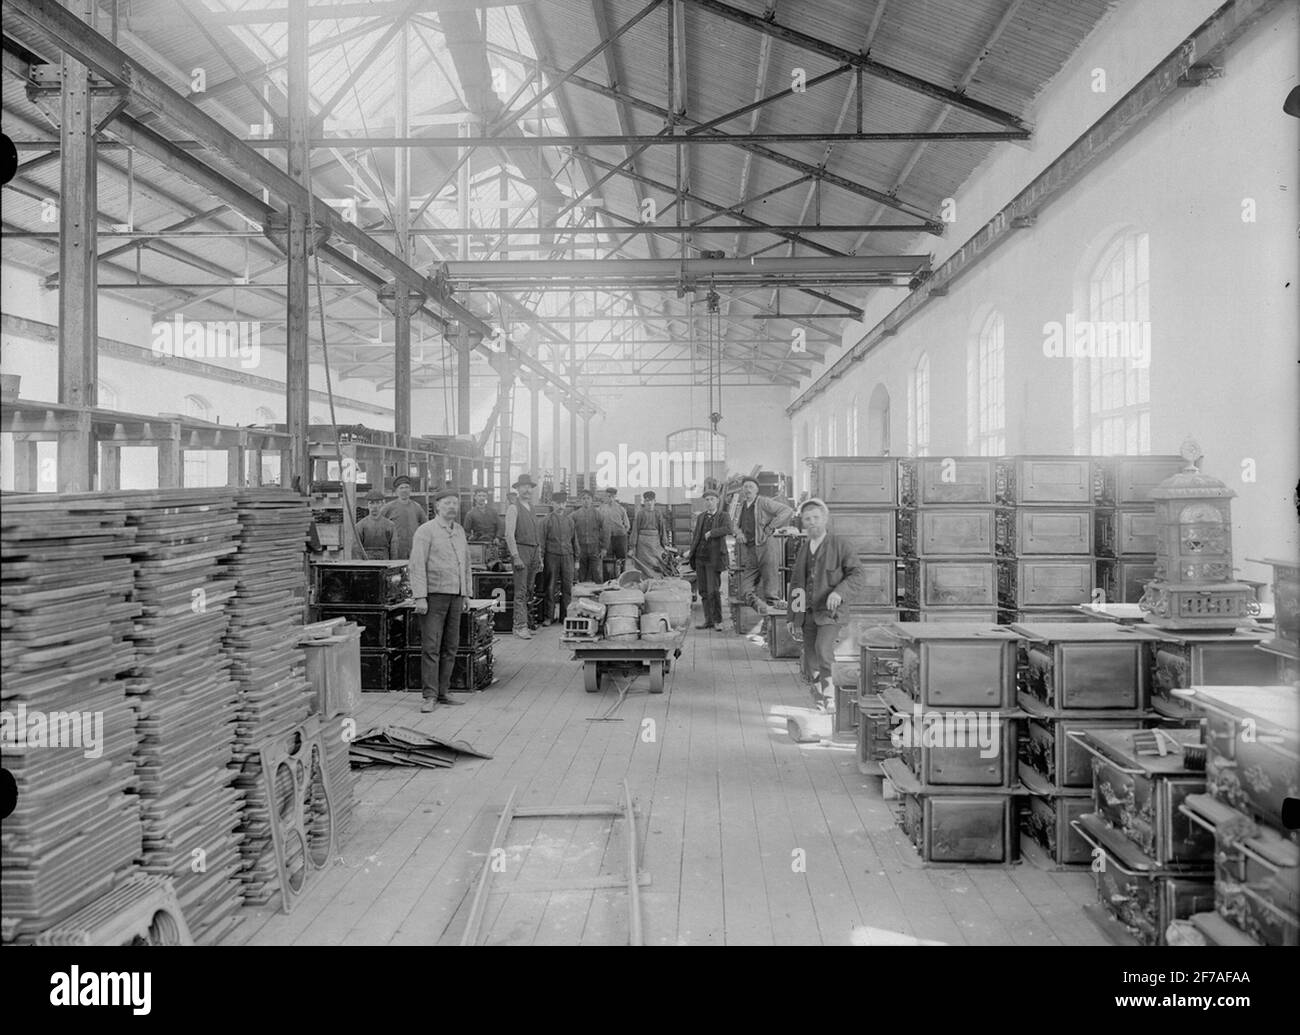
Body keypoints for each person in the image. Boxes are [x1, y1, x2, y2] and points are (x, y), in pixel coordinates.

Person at [788, 497, 868, 711]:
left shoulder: (840, 544)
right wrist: (794, 617)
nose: (812, 522)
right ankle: (819, 695)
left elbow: (857, 574)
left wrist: (839, 592)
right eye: (807, 519)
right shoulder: (805, 549)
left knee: (823, 650)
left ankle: (830, 696)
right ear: (803, 523)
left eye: (816, 517)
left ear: (825, 519)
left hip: (831, 613)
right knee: (810, 656)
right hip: (808, 613)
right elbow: (797, 585)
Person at [408, 488, 472, 713]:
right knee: (431, 647)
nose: (452, 507)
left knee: (451, 646)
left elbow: (465, 564)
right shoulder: (425, 531)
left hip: (455, 596)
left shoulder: (460, 531)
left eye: (455, 503)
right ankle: (429, 695)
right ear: (437, 507)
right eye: (447, 503)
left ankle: (443, 691)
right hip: (433, 597)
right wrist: (420, 597)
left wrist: (466, 593)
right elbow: (416, 565)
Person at [734, 475, 794, 617]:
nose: (748, 489)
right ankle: (763, 610)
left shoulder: (764, 502)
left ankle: (773, 622)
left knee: (771, 593)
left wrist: (772, 526)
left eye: (751, 487)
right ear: (742, 490)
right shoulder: (741, 506)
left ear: (756, 490)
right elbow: (734, 524)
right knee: (744, 590)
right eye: (745, 487)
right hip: (751, 551)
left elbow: (787, 511)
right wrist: (739, 533)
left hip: (766, 547)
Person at [686, 489, 731, 629]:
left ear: (717, 500)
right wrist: (690, 553)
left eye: (712, 499)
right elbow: (696, 537)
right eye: (707, 499)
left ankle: (718, 621)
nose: (709, 502)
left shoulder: (723, 515)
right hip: (700, 558)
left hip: (714, 559)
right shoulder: (701, 517)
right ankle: (709, 620)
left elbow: (728, 529)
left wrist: (712, 533)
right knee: (703, 591)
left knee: (713, 591)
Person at [504, 474, 541, 639]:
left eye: (529, 487)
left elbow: (536, 534)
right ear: (517, 489)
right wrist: (515, 556)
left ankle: (523, 622)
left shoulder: (532, 508)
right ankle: (520, 626)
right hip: (521, 550)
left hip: (533, 551)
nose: (527, 490)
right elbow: (509, 535)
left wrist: (538, 556)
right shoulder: (513, 508)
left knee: (529, 590)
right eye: (523, 487)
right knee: (520, 591)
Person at [542, 490, 580, 623]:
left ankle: (565, 616)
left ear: (566, 504)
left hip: (567, 557)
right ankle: (549, 617)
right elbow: (542, 542)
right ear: (552, 503)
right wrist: (541, 559)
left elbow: (574, 540)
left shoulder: (570, 521)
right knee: (550, 587)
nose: (560, 506)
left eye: (563, 503)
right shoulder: (546, 521)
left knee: (567, 587)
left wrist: (577, 559)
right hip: (551, 557)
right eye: (558, 503)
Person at [380, 475, 427, 560]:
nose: (404, 490)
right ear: (396, 491)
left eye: (407, 487)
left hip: (413, 547)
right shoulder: (388, 507)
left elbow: (426, 527)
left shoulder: (417, 507)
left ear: (410, 490)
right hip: (395, 548)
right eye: (401, 488)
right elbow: (379, 525)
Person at [628, 490, 670, 577]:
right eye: (647, 500)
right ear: (644, 502)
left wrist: (665, 543)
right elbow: (635, 530)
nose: (649, 503)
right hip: (642, 545)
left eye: (651, 500)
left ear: (655, 501)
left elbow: (662, 529)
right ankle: (645, 581)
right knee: (643, 565)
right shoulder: (640, 514)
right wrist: (632, 547)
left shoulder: (658, 513)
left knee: (656, 563)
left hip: (655, 543)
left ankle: (656, 581)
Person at [572, 489, 606, 583]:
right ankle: (583, 595)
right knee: (581, 572)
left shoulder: (598, 514)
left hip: (594, 547)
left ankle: (599, 592)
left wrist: (604, 548)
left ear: (592, 500)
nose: (586, 500)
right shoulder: (575, 515)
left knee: (596, 571)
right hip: (581, 548)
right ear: (580, 500)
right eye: (583, 498)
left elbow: (605, 531)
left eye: (588, 498)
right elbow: (569, 529)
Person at [352, 490, 396, 560]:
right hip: (367, 564)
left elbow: (394, 550)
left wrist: (393, 567)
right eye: (371, 503)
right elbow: (356, 550)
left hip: (385, 563)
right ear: (367, 505)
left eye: (377, 503)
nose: (374, 506)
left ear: (382, 504)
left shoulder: (390, 526)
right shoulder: (360, 526)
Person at [599, 487, 630, 576]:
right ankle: (609, 578)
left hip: (620, 537)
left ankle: (622, 577)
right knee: (607, 559)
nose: (610, 498)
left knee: (621, 558)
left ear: (615, 497)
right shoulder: (601, 509)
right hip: (607, 538)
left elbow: (627, 525)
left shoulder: (621, 509)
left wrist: (622, 531)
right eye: (608, 496)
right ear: (605, 496)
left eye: (612, 496)